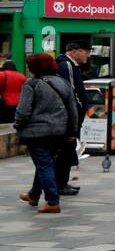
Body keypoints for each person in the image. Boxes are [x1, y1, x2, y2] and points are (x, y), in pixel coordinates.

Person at [14, 52, 78, 214]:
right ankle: (33, 195)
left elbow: (23, 111)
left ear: (34, 67)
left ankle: (52, 201)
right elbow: (73, 109)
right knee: (46, 162)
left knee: (44, 164)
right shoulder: (63, 83)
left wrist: (18, 126)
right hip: (59, 132)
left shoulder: (31, 84)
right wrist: (72, 131)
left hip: (37, 132)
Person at [54, 41, 91, 196]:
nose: (88, 55)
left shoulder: (69, 65)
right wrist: (80, 108)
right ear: (75, 52)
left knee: (67, 150)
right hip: (69, 118)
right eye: (86, 51)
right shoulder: (66, 65)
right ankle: (60, 184)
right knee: (65, 151)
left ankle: (62, 183)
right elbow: (69, 91)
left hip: (72, 117)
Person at [0, 59, 25, 125]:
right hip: (19, 103)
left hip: (5, 103)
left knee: (5, 123)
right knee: (15, 122)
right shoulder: (21, 76)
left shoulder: (1, 75)